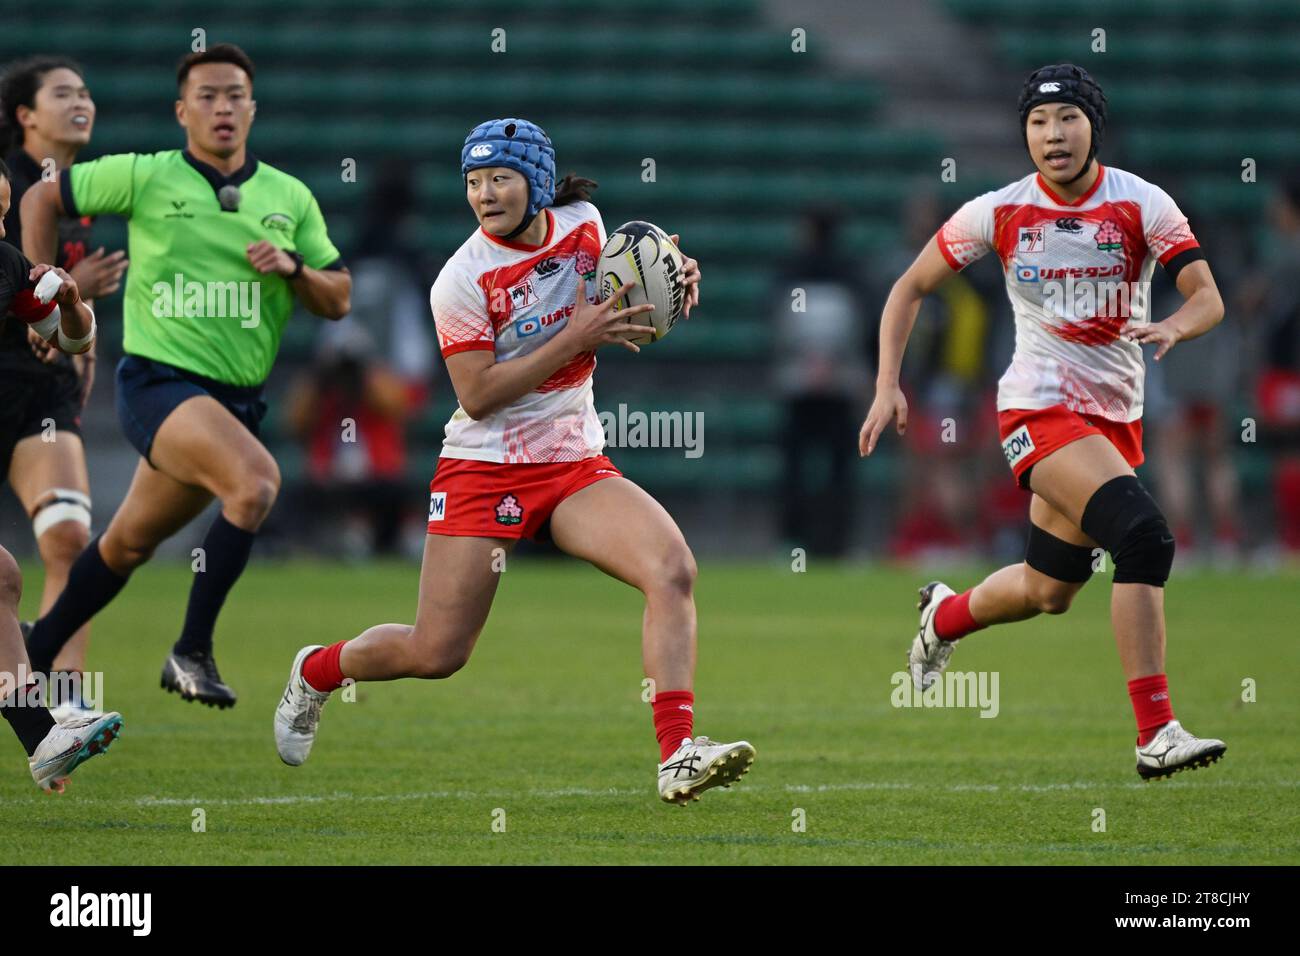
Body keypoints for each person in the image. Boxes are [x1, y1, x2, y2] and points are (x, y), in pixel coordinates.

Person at [274, 118, 754, 804]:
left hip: (572, 463)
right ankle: (317, 671)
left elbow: (624, 296)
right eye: (472, 181)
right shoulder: (461, 280)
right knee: (436, 653)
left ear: (536, 179)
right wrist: (575, 338)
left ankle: (676, 753)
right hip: (483, 467)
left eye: (499, 177)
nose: (484, 194)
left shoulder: (585, 223)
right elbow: (476, 394)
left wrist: (674, 284)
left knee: (672, 569)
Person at [860, 65, 1228, 780]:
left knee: (1046, 591)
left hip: (1112, 422)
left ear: (1094, 125)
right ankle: (1156, 733)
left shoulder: (1141, 203)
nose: (1052, 135)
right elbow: (909, 288)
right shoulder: (998, 211)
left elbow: (1207, 295)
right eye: (1037, 122)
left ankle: (943, 617)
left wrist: (1177, 327)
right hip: (1038, 409)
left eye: (1067, 120)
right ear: (1024, 133)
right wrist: (886, 385)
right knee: (1145, 539)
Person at [20, 44, 350, 708]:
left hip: (236, 403)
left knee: (126, 545)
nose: (222, 107)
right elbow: (39, 196)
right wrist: (41, 288)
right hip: (160, 382)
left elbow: (337, 296)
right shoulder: (147, 176)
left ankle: (31, 653)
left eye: (234, 95)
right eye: (207, 96)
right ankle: (190, 649)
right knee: (255, 484)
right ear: (181, 111)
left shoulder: (290, 196)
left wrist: (294, 270)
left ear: (252, 108)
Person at [1, 56, 129, 718]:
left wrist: (79, 320)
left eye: (86, 91)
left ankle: (64, 702)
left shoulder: (79, 192)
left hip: (43, 392)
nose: (82, 101)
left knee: (69, 538)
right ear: (26, 114)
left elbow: (56, 309)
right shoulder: (8, 185)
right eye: (63, 93)